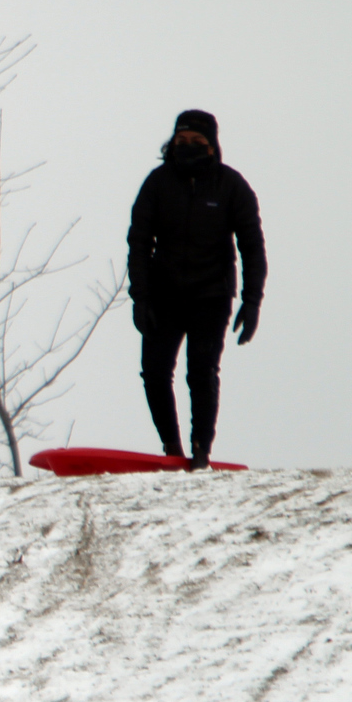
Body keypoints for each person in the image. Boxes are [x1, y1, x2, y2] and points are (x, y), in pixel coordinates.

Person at [126, 109, 266, 470]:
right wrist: (141, 297)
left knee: (201, 373)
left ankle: (201, 450)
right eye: (181, 141)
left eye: (197, 142)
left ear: (212, 146)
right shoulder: (156, 184)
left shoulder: (232, 186)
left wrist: (251, 302)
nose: (187, 147)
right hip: (164, 295)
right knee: (154, 372)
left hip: (211, 295)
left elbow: (252, 246)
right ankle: (172, 448)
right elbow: (139, 242)